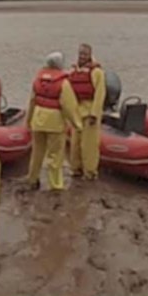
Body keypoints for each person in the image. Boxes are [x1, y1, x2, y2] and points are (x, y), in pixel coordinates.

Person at [24, 51, 82, 191]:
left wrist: (28, 120)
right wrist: (77, 124)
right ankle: (55, 185)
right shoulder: (63, 83)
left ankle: (32, 179)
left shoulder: (37, 80)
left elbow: (32, 101)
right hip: (55, 123)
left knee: (37, 153)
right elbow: (69, 106)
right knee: (55, 155)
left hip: (38, 120)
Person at [68, 43, 106, 180]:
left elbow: (100, 94)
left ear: (90, 55)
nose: (82, 56)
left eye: (85, 54)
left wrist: (95, 114)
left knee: (89, 145)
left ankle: (90, 172)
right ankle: (76, 169)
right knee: (75, 143)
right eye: (80, 54)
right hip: (76, 112)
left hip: (89, 111)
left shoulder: (96, 73)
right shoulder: (73, 71)